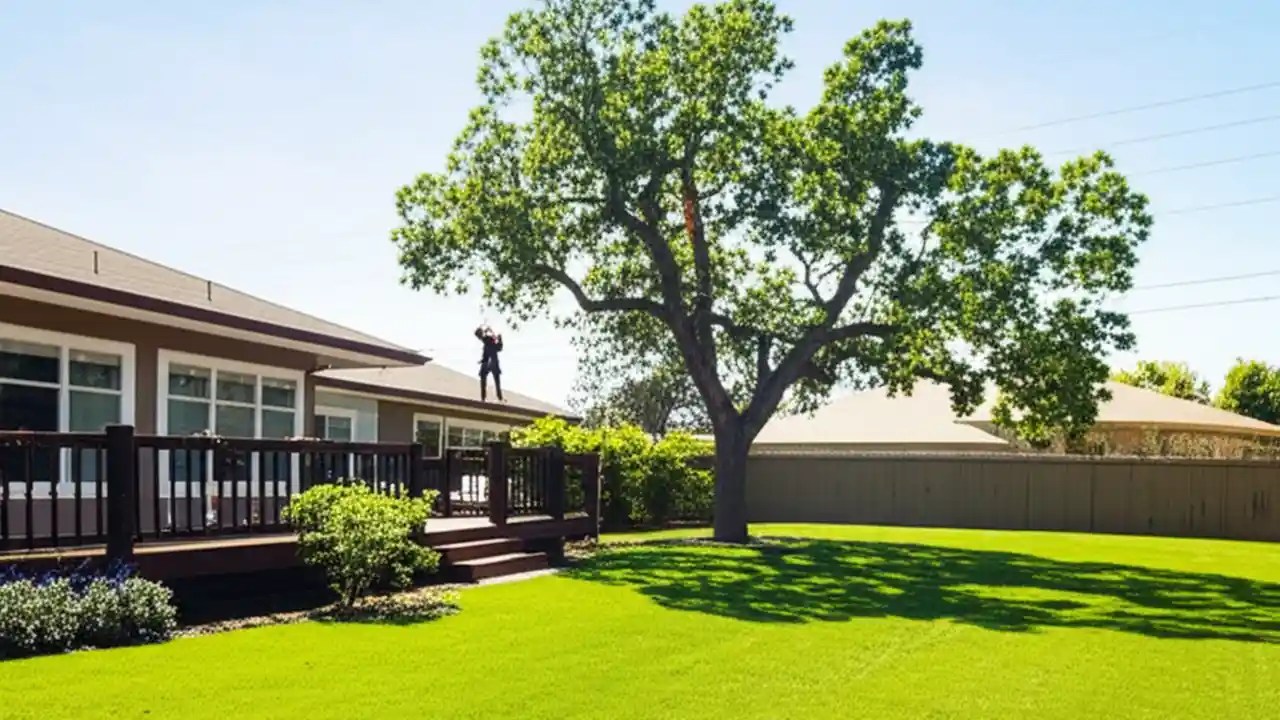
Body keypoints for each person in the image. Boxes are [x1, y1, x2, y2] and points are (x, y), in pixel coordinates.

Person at [475, 325, 505, 402]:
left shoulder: (488, 338)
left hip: (492, 361)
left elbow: (498, 347)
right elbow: (497, 348)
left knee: (492, 378)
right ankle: (487, 397)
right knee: (489, 377)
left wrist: (498, 337)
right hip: (491, 361)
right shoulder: (487, 340)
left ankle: (496, 397)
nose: (480, 339)